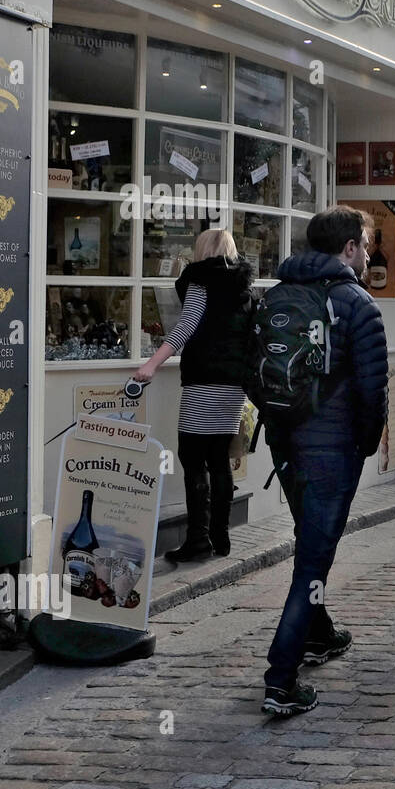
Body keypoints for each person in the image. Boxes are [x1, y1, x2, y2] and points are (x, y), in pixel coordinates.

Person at [261, 207, 388, 716]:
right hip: (331, 449)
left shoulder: (274, 295)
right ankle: (280, 680)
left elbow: (257, 369)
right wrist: (362, 443)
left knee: (308, 541)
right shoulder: (358, 304)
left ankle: (319, 635)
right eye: (364, 244)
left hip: (284, 442)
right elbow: (371, 390)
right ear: (350, 248)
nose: (366, 253)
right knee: (312, 562)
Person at [132, 229, 254, 563]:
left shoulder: (200, 282)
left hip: (204, 383)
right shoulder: (245, 289)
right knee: (219, 459)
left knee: (193, 458)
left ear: (201, 250)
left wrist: (151, 365)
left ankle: (198, 540)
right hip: (234, 386)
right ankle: (221, 537)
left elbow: (186, 327)